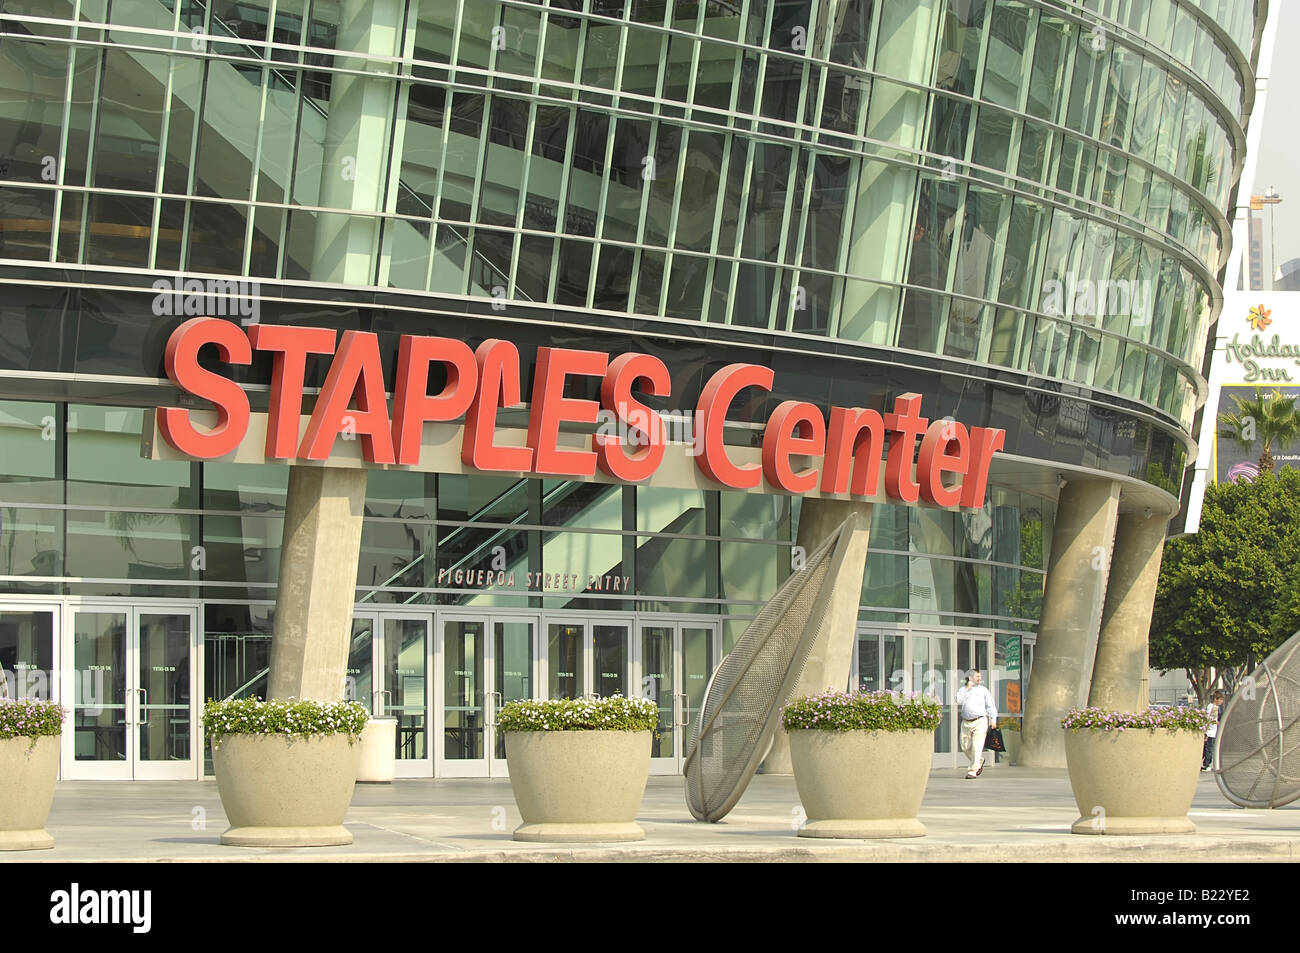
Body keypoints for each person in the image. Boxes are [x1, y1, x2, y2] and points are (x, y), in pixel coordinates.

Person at [956, 669, 997, 779]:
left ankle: (973, 771)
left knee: (976, 746)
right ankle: (979, 760)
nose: (979, 679)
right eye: (977, 677)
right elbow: (958, 701)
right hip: (966, 722)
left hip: (980, 721)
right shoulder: (963, 690)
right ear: (970, 678)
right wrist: (966, 689)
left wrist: (993, 720)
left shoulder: (984, 690)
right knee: (964, 746)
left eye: (979, 677)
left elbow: (990, 706)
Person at [1202, 690, 1225, 771]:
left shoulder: (1215, 707)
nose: (1221, 702)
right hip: (1210, 732)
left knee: (1207, 749)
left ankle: (1205, 764)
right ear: (1216, 699)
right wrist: (1217, 723)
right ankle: (1206, 765)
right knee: (1209, 749)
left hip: (1212, 731)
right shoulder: (1213, 707)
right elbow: (1210, 718)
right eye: (1220, 699)